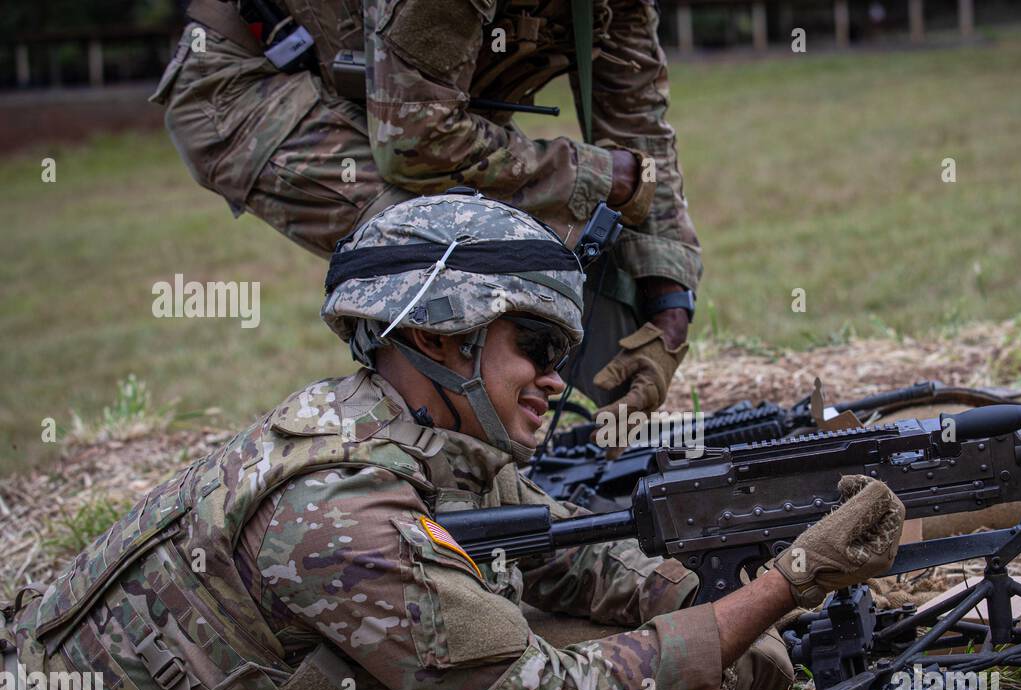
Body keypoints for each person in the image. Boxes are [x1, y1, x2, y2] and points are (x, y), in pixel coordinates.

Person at [0, 195, 903, 690]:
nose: (559, 380)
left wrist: (707, 589)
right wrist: (785, 580)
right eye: (537, 350)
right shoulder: (338, 512)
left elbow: (579, 560)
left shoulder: (408, 436)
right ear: (438, 338)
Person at [150, 0, 701, 415]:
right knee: (459, 267)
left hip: (404, 106)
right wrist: (598, 175)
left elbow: (639, 133)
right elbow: (415, 139)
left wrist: (669, 304)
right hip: (253, 87)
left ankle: (530, 450)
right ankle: (410, 491)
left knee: (593, 294)